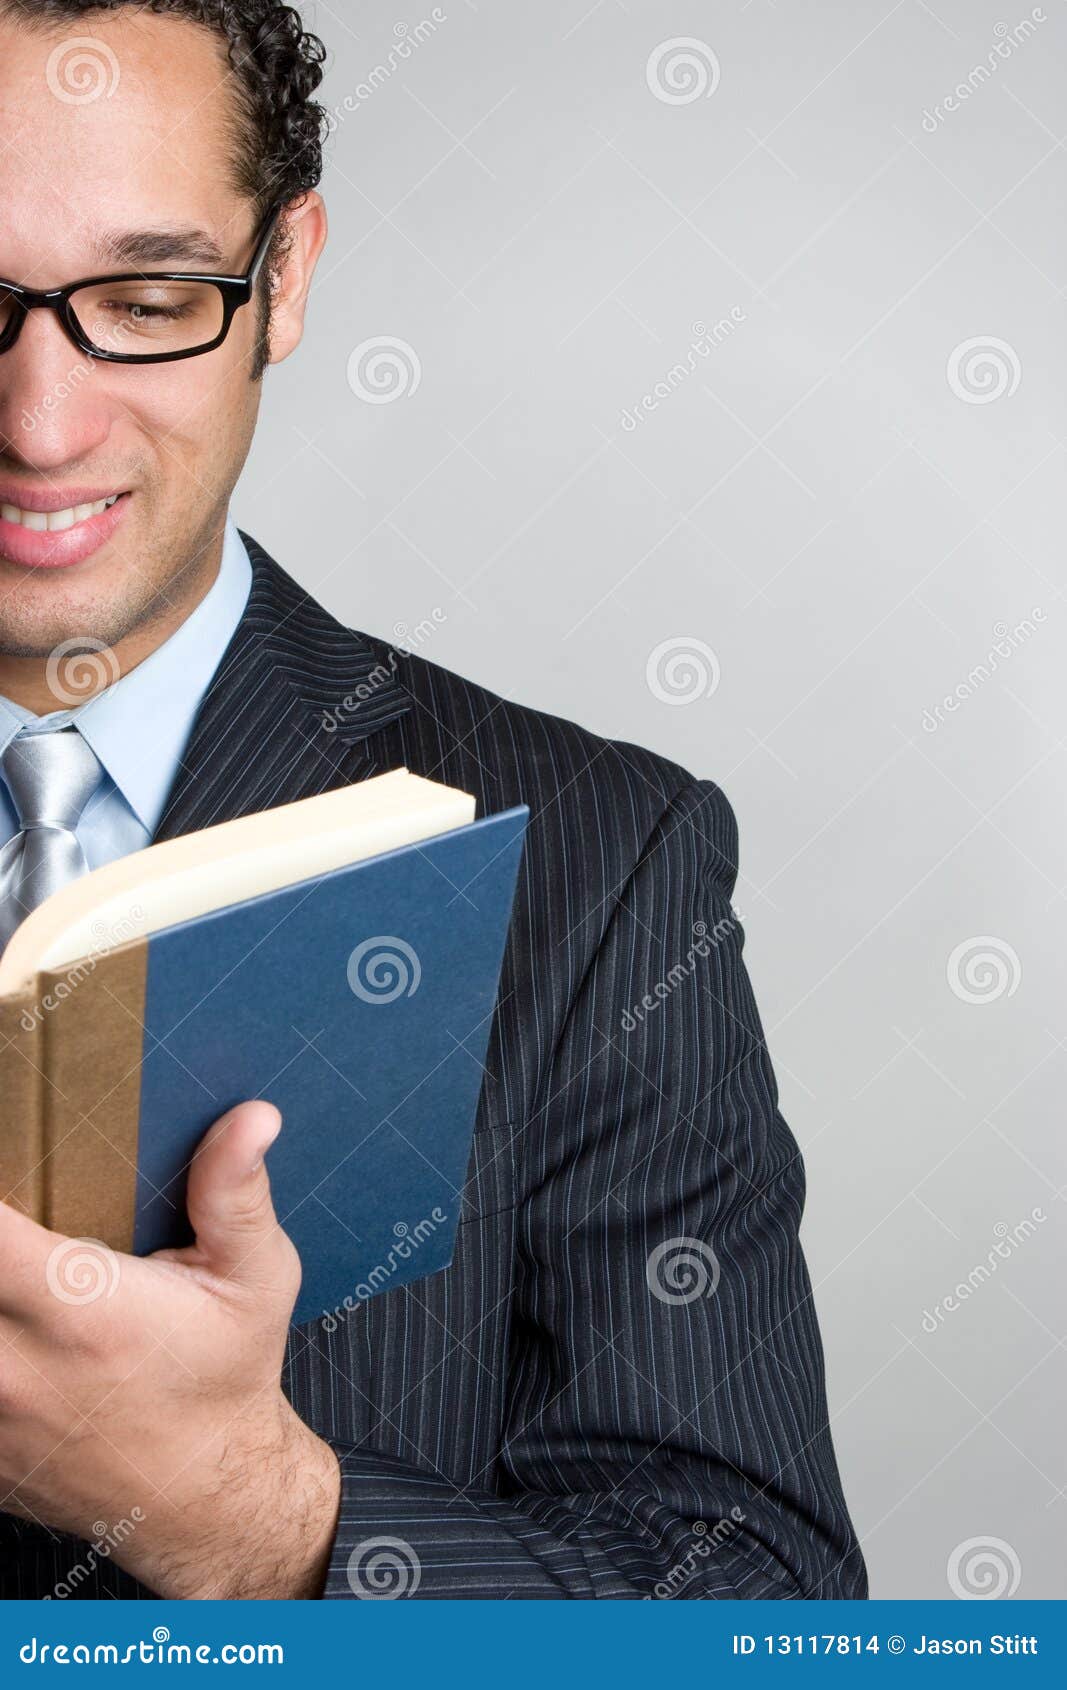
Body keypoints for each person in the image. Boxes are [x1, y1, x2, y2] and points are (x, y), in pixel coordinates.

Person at [0, 0, 866, 1600]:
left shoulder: (598, 865)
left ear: (286, 274)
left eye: (148, 299)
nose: (40, 427)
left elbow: (754, 1601)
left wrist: (252, 1513)